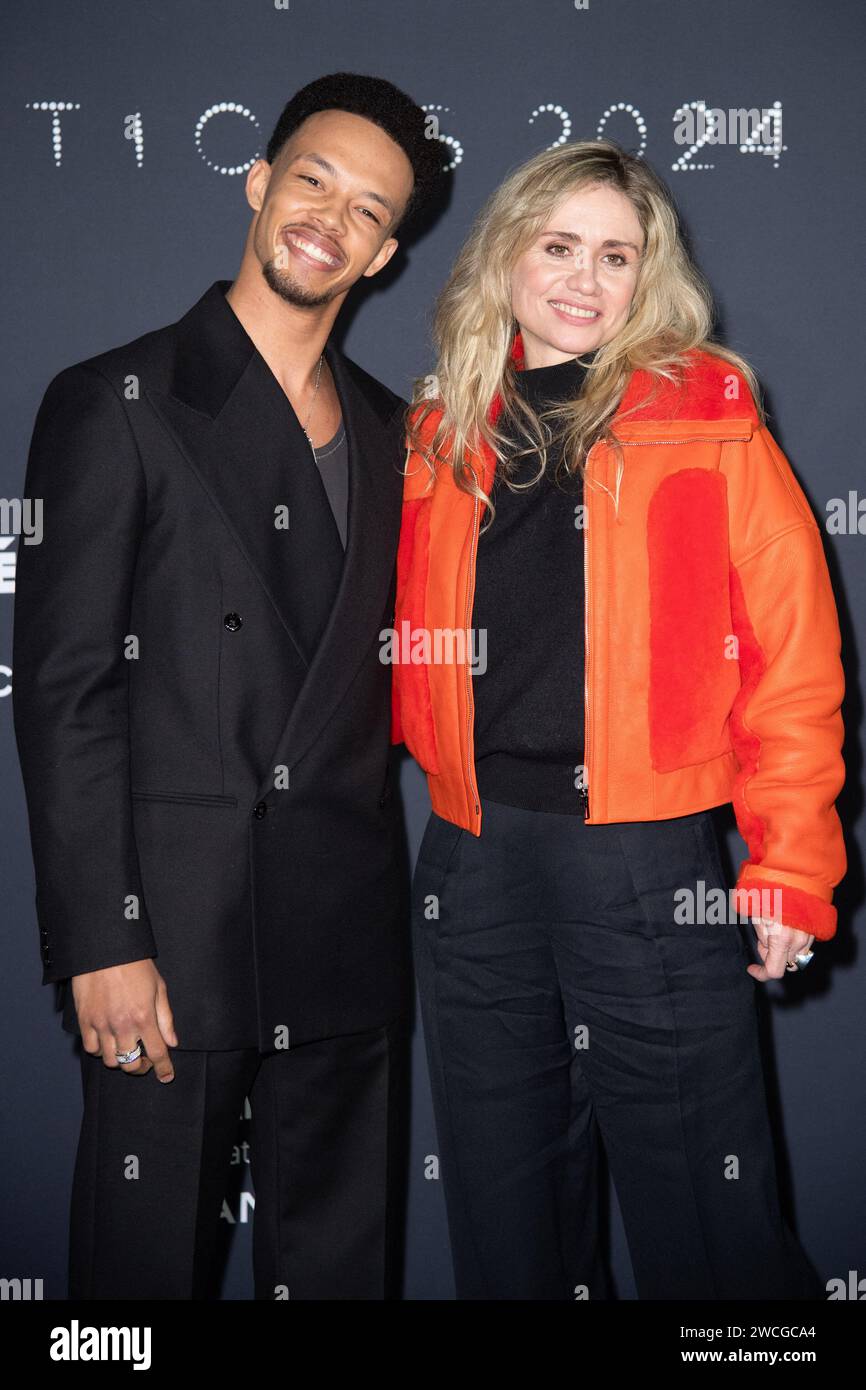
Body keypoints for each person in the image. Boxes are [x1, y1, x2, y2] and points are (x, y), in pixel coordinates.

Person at [390, 138, 845, 1300]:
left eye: (614, 254)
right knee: (507, 1224)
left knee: (712, 1225)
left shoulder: (712, 419)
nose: (582, 278)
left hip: (646, 865)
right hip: (473, 862)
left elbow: (790, 654)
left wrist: (788, 859)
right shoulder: (438, 434)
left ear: (648, 279)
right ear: (505, 257)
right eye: (557, 246)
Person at [13, 71, 441, 1300]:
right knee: (140, 1284)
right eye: (312, 179)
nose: (330, 216)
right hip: (172, 946)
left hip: (343, 934)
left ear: (383, 252)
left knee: (341, 1272)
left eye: (367, 209)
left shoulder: (393, 432)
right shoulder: (117, 402)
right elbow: (66, 689)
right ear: (258, 186)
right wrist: (101, 939)